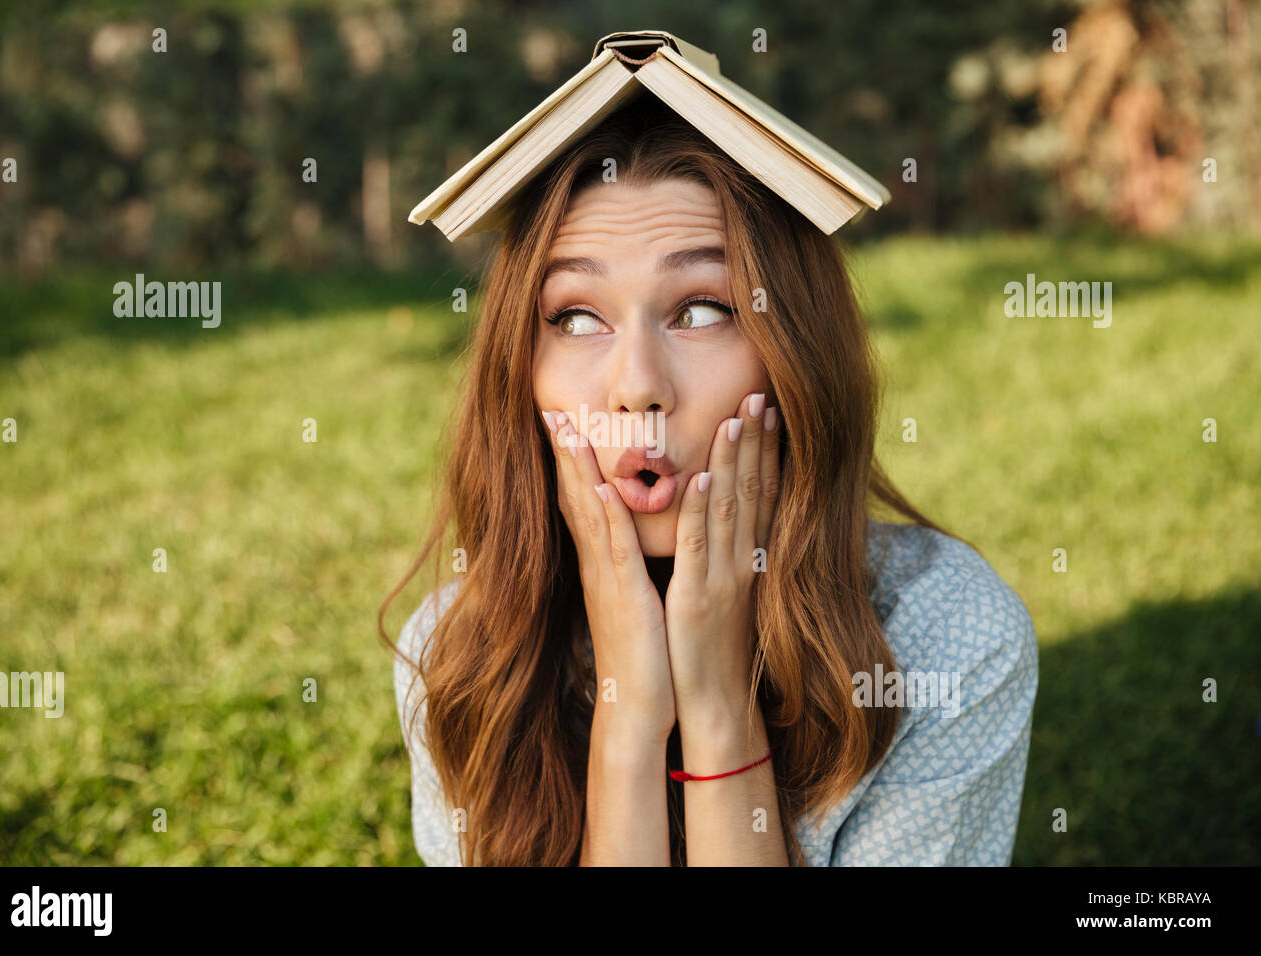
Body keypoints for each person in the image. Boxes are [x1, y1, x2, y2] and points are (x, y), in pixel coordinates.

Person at [384, 96, 1038, 866]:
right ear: (518, 372)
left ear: (795, 354)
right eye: (576, 318)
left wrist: (720, 706)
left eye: (700, 310)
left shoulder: (946, 641)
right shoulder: (461, 655)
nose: (636, 387)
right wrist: (630, 718)